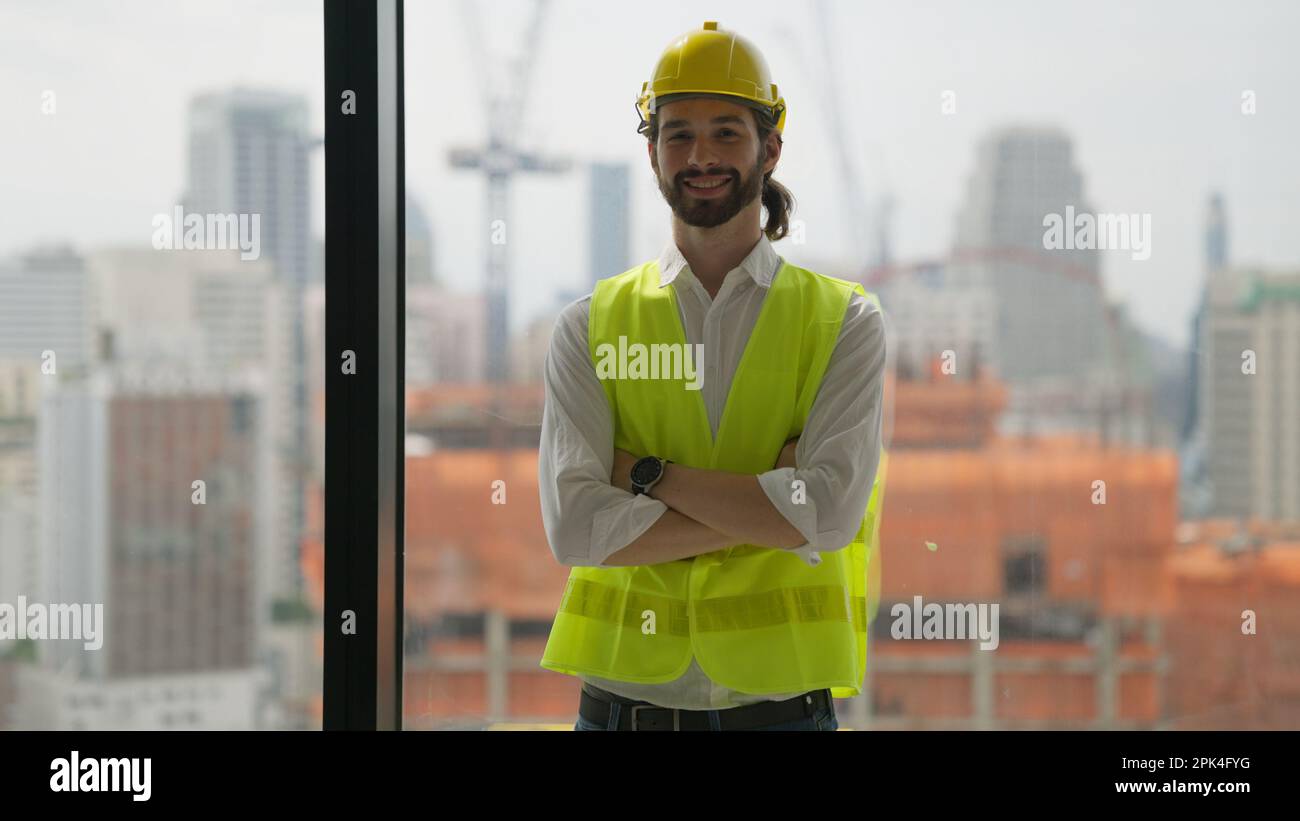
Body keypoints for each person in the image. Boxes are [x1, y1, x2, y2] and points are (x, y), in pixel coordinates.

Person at [537, 20, 888, 731]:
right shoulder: (589, 326)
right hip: (620, 714)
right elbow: (575, 527)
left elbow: (829, 513)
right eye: (679, 134)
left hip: (783, 715)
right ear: (652, 152)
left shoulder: (843, 323)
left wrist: (642, 476)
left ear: (771, 147)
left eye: (727, 132)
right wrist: (770, 511)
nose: (701, 155)